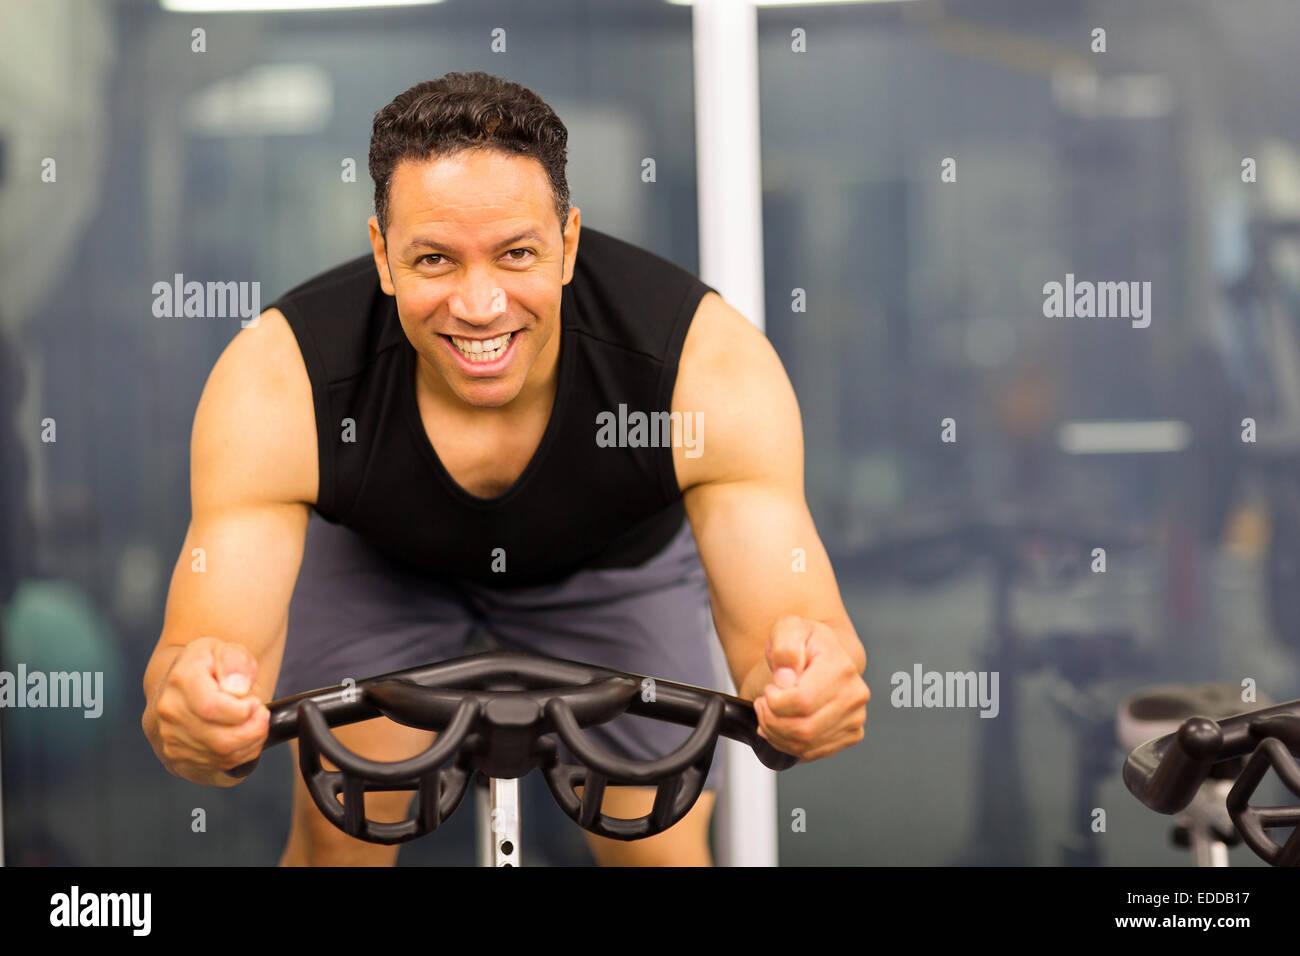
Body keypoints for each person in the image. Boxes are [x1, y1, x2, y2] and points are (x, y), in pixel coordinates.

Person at [141, 72, 869, 867]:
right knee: (343, 836)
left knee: (658, 845)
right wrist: (198, 712)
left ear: (569, 243)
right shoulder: (282, 381)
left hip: (612, 569)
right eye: (435, 260)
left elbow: (789, 644)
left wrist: (807, 685)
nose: (480, 304)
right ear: (383, 255)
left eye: (517, 253)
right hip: (383, 564)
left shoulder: (700, 366)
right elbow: (197, 663)